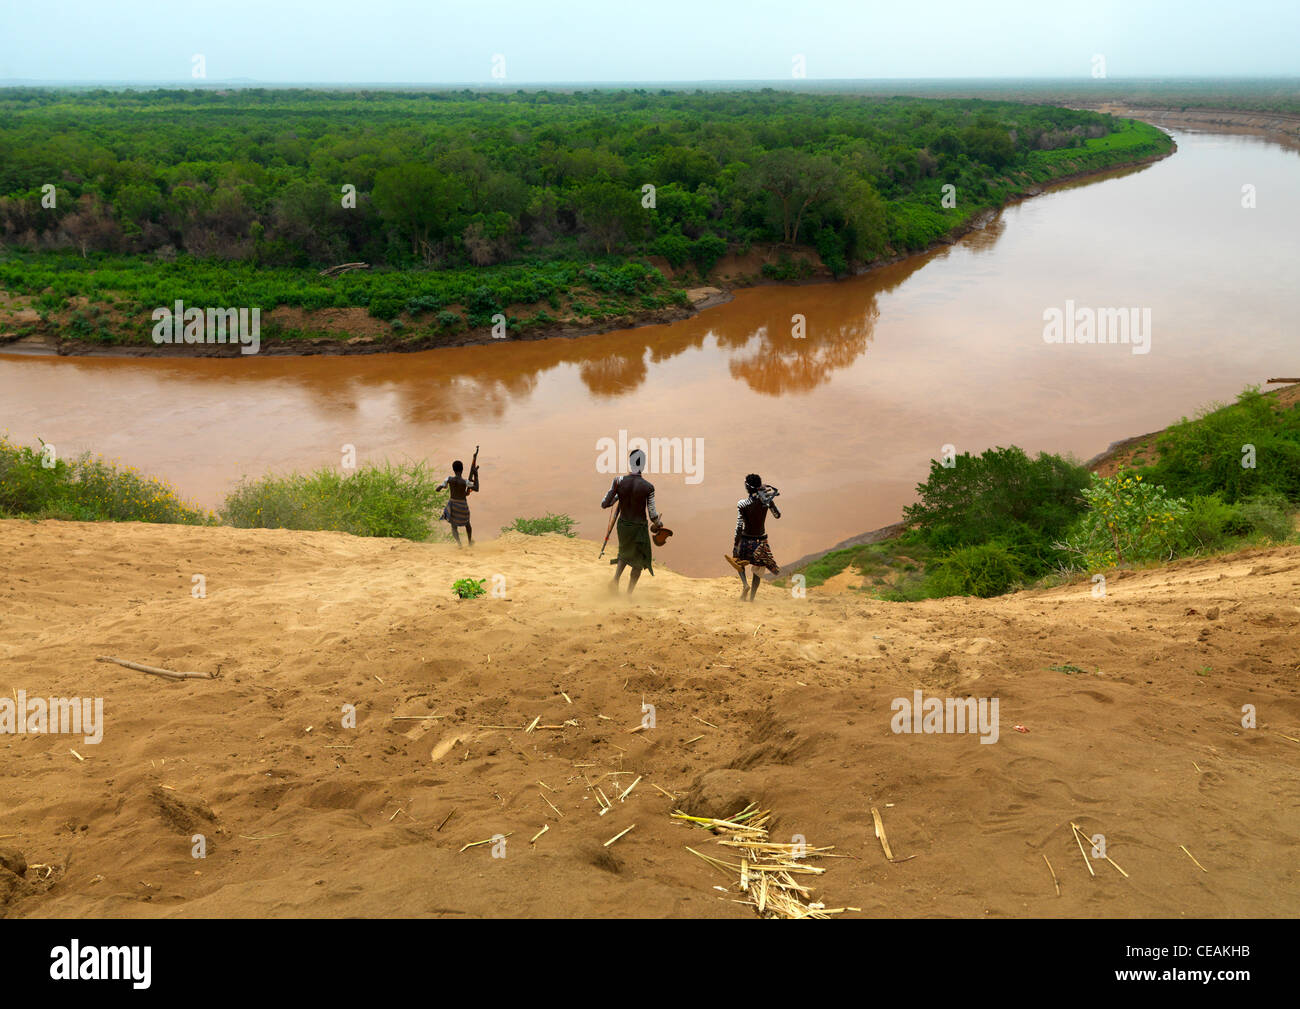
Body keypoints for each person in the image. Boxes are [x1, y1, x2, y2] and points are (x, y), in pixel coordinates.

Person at [600, 449, 663, 594]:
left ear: (629, 463)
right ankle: (629, 595)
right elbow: (653, 515)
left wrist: (619, 496)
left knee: (624, 552)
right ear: (644, 465)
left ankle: (615, 581)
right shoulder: (648, 487)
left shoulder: (618, 481)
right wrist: (658, 524)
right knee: (639, 560)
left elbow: (605, 503)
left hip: (623, 526)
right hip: (639, 527)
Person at [726, 473, 781, 601]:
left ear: (747, 487)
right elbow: (777, 515)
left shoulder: (742, 504)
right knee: (758, 569)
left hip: (745, 539)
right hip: (760, 540)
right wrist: (770, 502)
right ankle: (752, 598)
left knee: (738, 562)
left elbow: (739, 526)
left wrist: (736, 545)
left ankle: (745, 584)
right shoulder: (766, 501)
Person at [436, 458, 479, 546]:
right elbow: (476, 488)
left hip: (453, 505)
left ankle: (459, 544)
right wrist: (476, 475)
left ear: (453, 469)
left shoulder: (449, 479)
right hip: (462, 505)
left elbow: (439, 489)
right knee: (467, 524)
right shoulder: (465, 482)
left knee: (454, 526)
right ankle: (470, 542)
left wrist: (440, 487)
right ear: (462, 469)